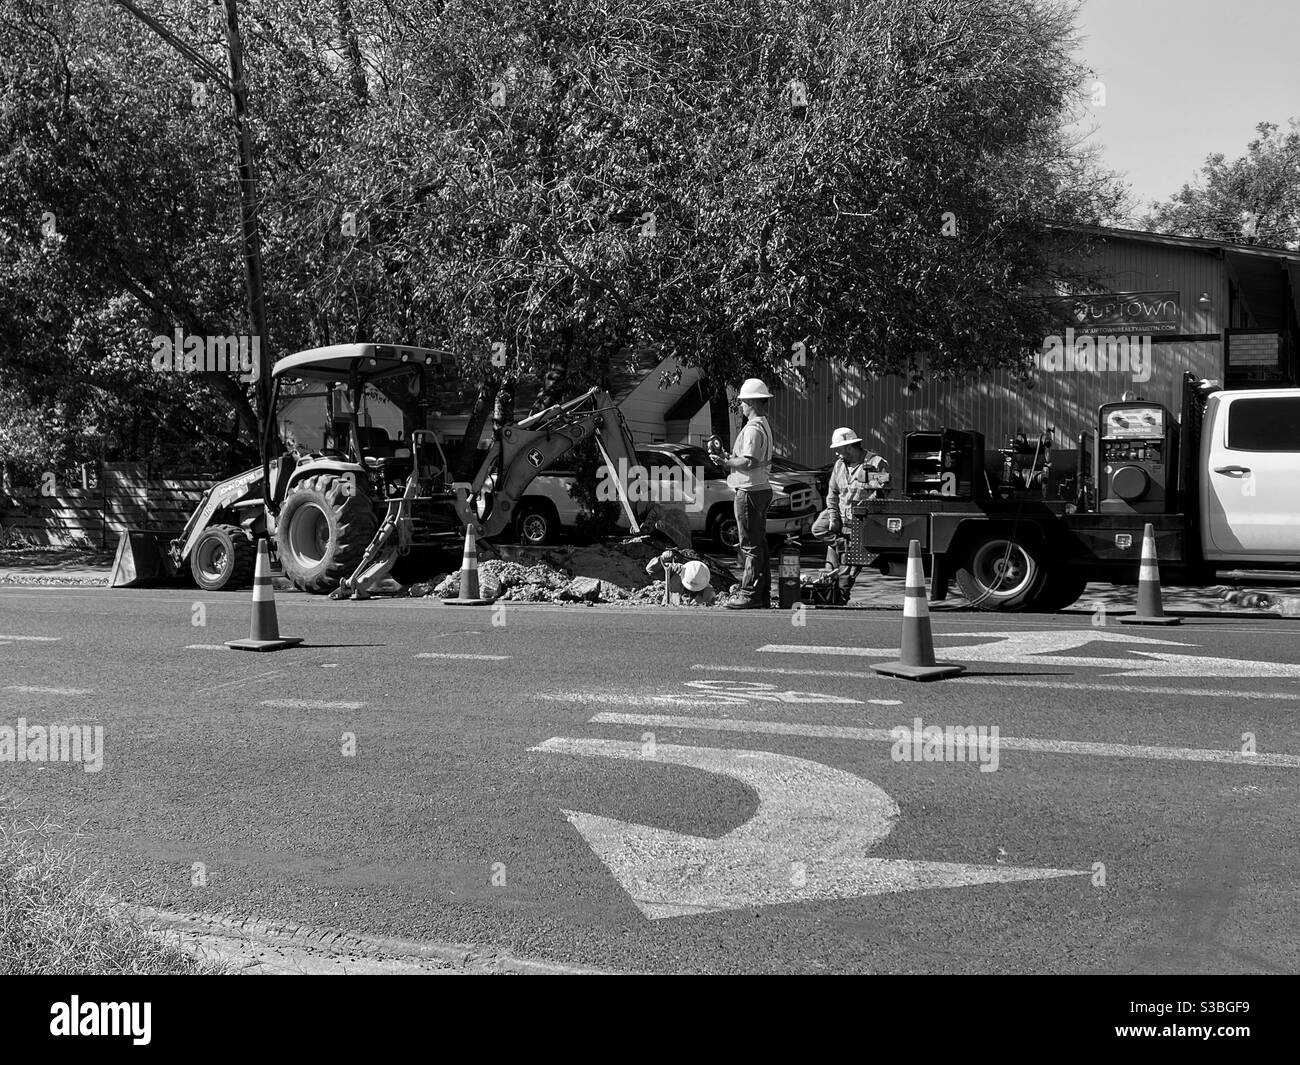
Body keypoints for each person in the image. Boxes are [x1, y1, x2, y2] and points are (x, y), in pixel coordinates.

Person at [708, 378, 775, 609]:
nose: (741, 407)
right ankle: (762, 594)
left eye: (743, 403)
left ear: (751, 402)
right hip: (758, 489)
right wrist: (729, 458)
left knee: (750, 546)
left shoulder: (753, 428)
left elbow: (748, 461)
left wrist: (725, 460)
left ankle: (750, 594)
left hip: (750, 492)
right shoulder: (762, 425)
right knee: (759, 544)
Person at [811, 426, 890, 602]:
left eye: (838, 449)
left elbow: (884, 493)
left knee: (845, 569)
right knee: (818, 528)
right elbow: (832, 493)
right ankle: (843, 546)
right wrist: (833, 517)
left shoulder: (876, 463)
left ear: (849, 447)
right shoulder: (839, 465)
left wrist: (871, 479)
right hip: (840, 513)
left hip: (861, 520)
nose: (837, 454)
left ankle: (839, 594)